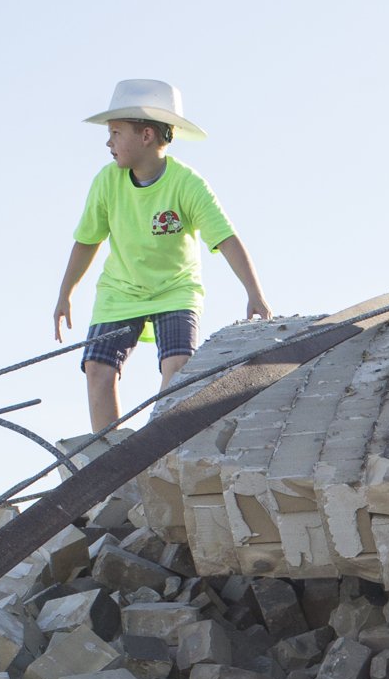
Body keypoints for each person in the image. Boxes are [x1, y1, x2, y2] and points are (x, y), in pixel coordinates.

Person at [53, 79, 272, 434]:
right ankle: (108, 452)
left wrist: (255, 293)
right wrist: (65, 292)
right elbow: (86, 241)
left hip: (175, 289)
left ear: (147, 136)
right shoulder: (107, 182)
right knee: (97, 367)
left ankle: (157, 442)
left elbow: (226, 239)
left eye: (116, 132)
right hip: (121, 290)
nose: (108, 142)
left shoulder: (187, 184)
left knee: (178, 366)